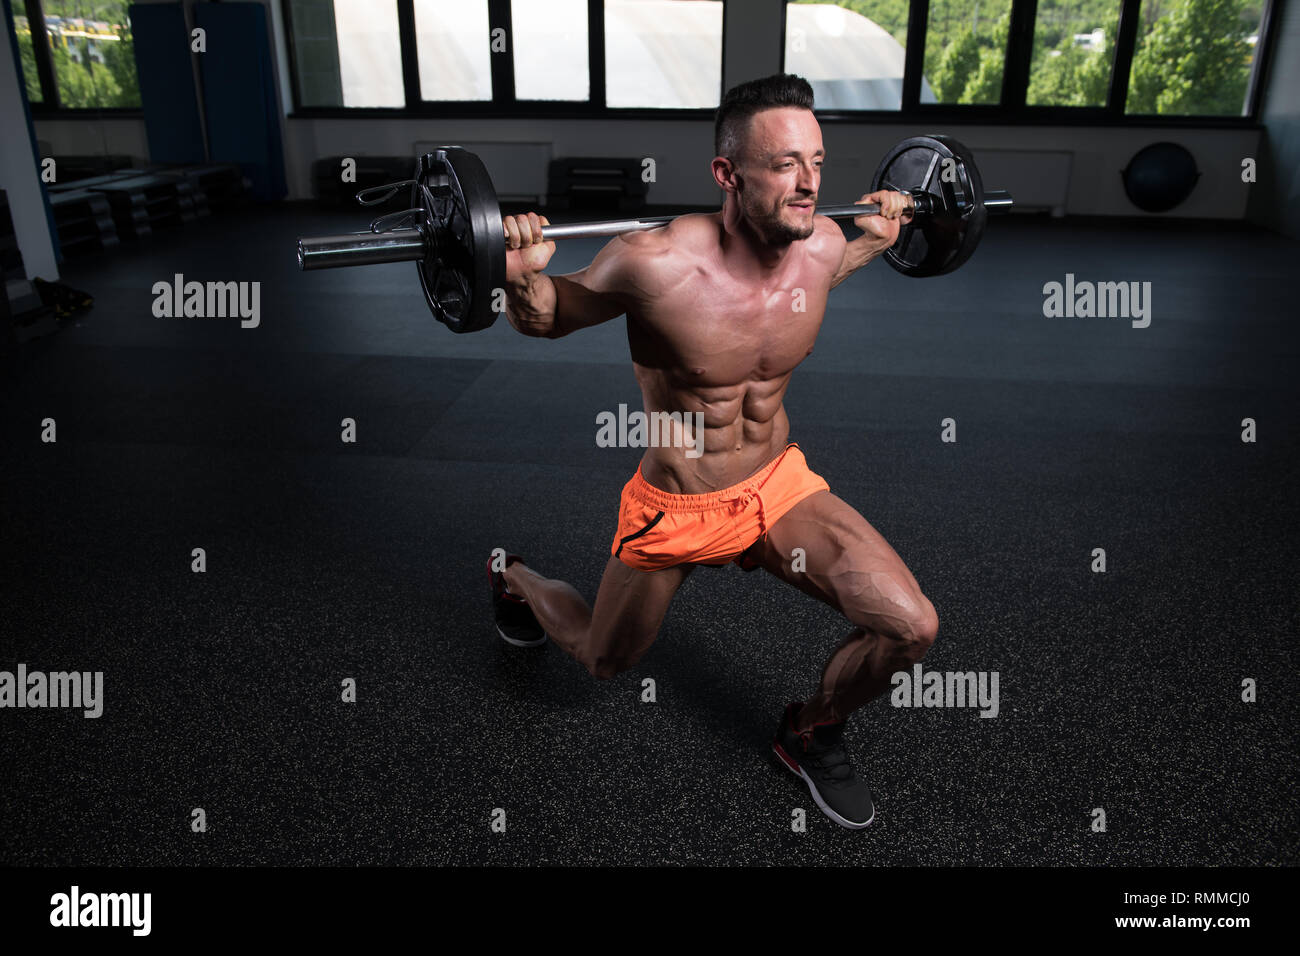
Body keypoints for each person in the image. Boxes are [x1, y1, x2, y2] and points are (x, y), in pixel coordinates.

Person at [487, 73, 938, 829]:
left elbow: (828, 269)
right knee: (603, 659)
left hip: (775, 487)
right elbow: (548, 316)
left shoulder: (823, 241)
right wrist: (519, 275)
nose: (809, 184)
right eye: (785, 164)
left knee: (912, 626)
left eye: (817, 163)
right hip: (678, 503)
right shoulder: (653, 263)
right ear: (728, 174)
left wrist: (875, 241)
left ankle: (811, 730)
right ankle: (517, 578)